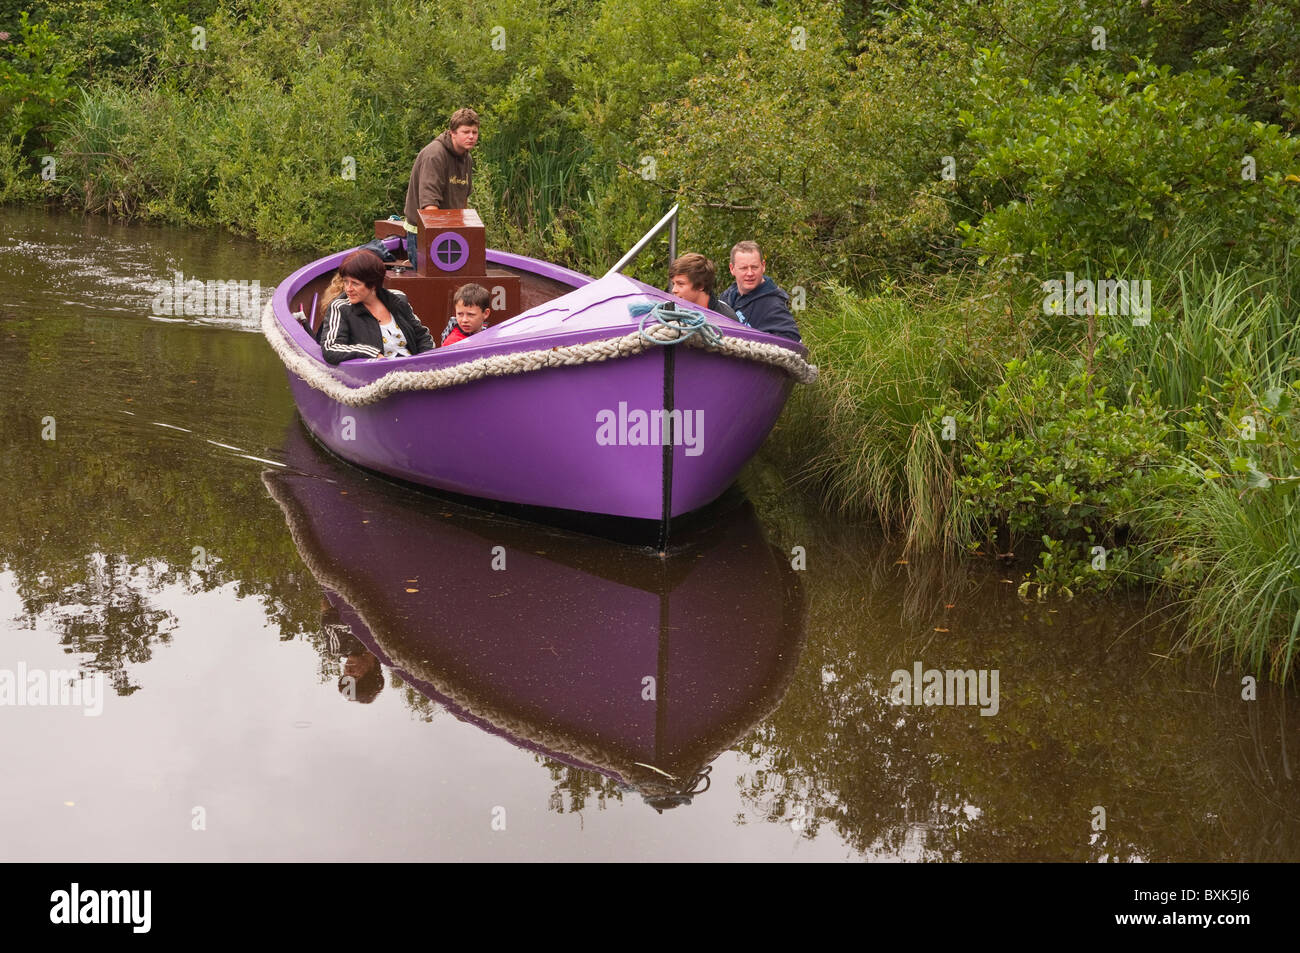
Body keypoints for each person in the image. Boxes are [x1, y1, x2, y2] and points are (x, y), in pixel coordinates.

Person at [319, 249, 435, 364]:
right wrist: (371, 353)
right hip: (376, 376)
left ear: (373, 284)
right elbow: (331, 348)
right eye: (345, 281)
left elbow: (422, 336)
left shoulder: (398, 298)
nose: (348, 288)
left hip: (414, 371)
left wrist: (426, 362)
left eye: (355, 283)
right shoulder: (341, 308)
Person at [402, 107, 480, 267]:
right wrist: (441, 240)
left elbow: (463, 200)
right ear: (452, 132)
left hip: (450, 234)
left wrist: (462, 233)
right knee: (430, 287)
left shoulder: (467, 157)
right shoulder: (435, 155)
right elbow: (429, 207)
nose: (471, 136)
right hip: (424, 234)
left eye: (475, 132)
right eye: (466, 132)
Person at [718, 240, 802, 342]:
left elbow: (792, 341)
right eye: (744, 268)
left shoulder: (773, 304)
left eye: (754, 267)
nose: (750, 273)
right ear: (732, 269)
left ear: (763, 266)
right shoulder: (727, 297)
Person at [667, 253, 738, 320]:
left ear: (700, 286)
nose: (674, 290)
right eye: (674, 284)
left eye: (680, 284)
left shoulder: (726, 318)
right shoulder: (668, 312)